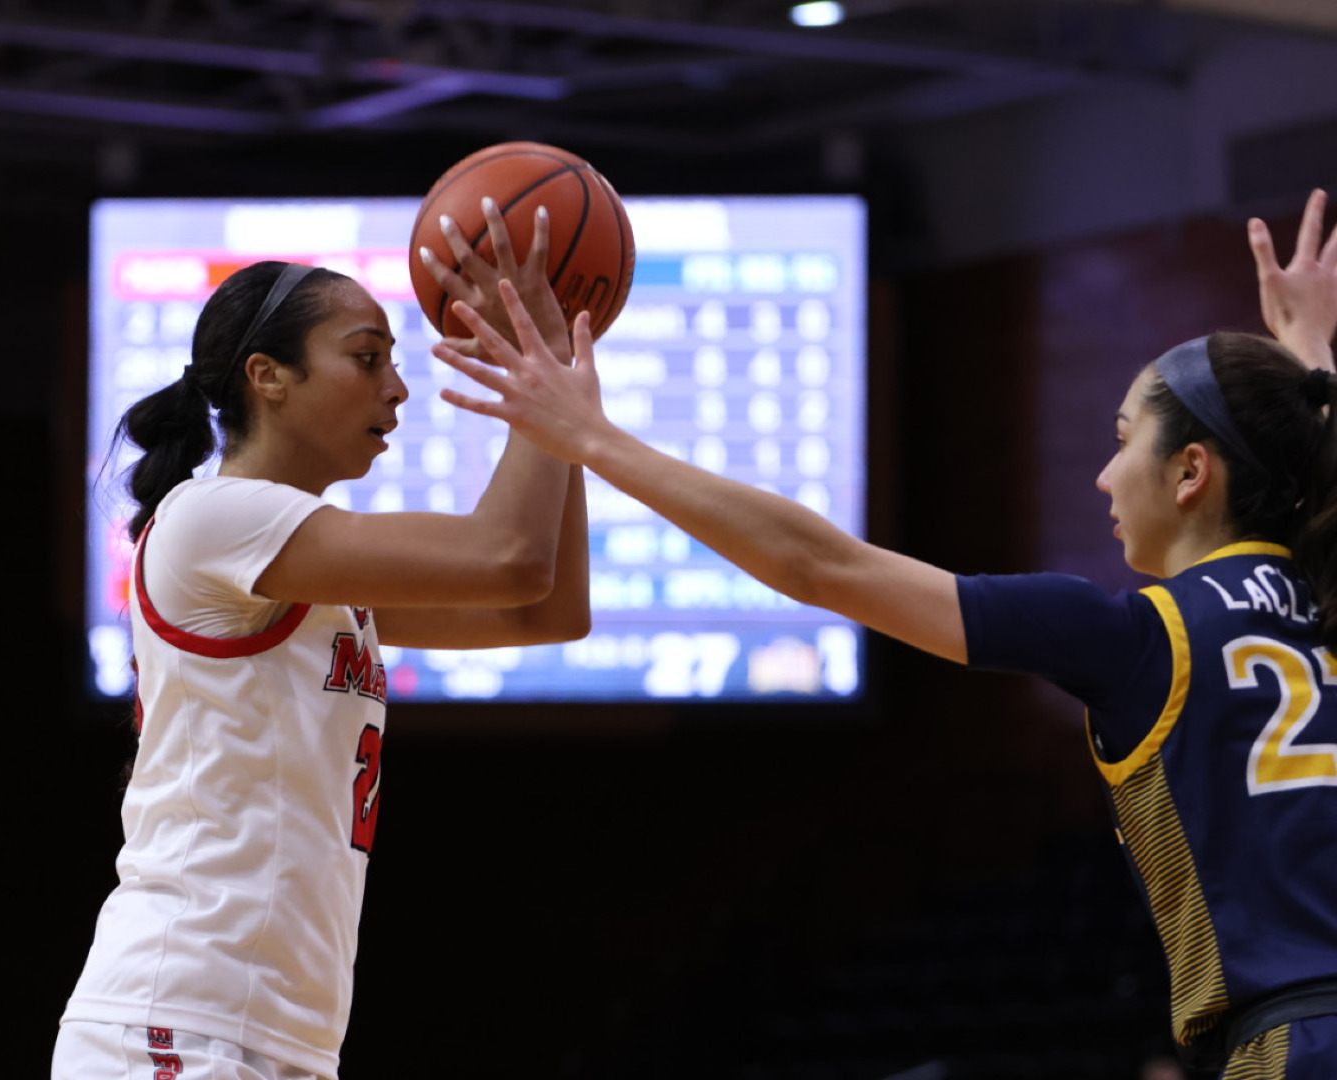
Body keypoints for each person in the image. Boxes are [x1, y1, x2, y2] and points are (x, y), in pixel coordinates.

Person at [431, 190, 1337, 1077]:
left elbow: (823, 567)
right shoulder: (1324, 598)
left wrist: (592, 437)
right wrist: (1308, 359)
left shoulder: (1134, 637)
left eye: (1122, 437)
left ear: (1189, 472)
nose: (1103, 475)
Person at [53, 201, 591, 1080]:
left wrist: (561, 404)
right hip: (180, 1019)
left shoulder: (308, 568)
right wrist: (539, 377)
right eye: (366, 359)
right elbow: (510, 557)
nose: (398, 387)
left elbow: (546, 608)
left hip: (272, 1034)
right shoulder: (217, 517)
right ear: (269, 377)